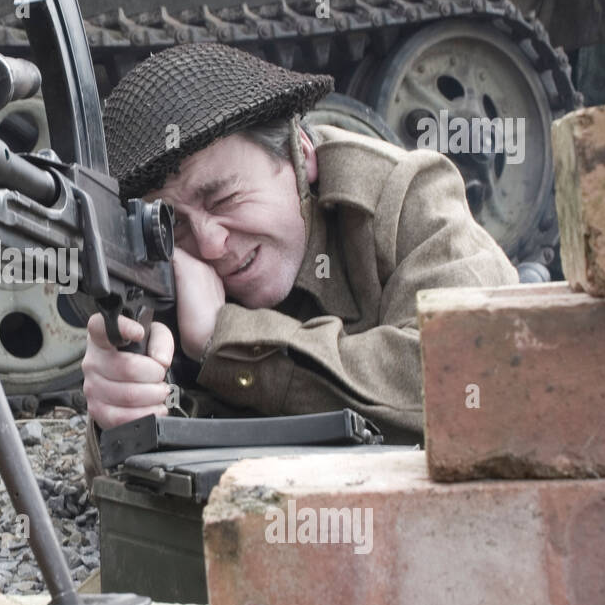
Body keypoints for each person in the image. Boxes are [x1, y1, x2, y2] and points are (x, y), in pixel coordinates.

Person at [81, 42, 519, 485]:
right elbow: (130, 486)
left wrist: (226, 339)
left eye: (225, 197)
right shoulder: (166, 263)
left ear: (301, 155)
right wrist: (119, 408)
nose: (210, 245)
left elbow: (481, 384)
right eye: (175, 224)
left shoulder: (406, 196)